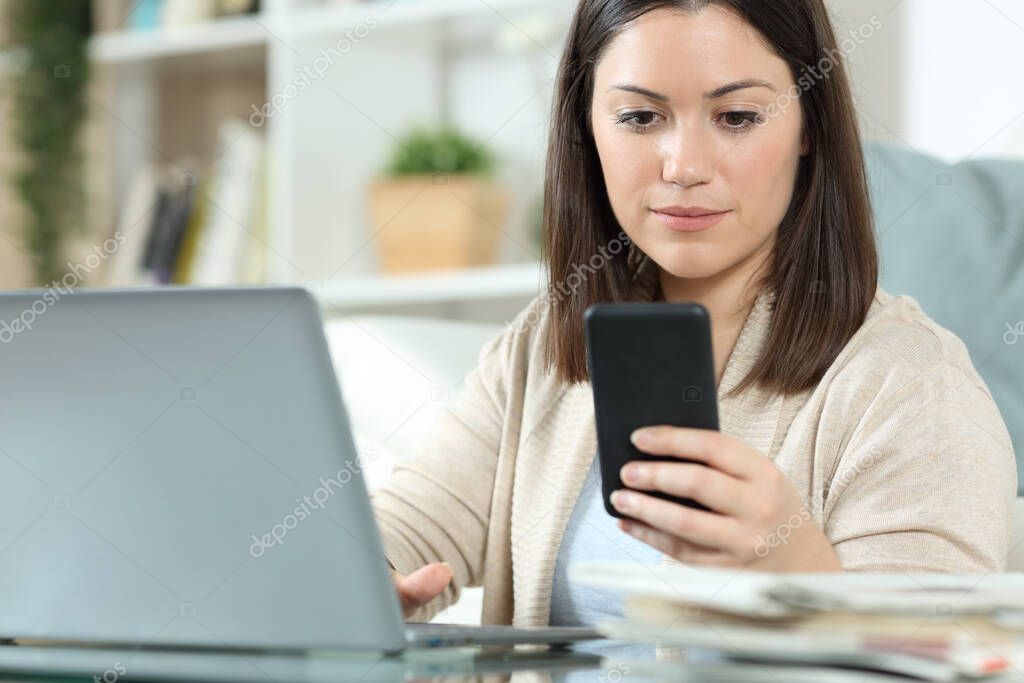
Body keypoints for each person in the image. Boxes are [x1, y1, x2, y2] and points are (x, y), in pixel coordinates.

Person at [374, 0, 1017, 628]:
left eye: (736, 117)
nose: (684, 167)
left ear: (809, 127)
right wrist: (366, 577)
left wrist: (800, 571)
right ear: (586, 126)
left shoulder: (913, 387)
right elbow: (407, 528)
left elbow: (933, 657)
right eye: (639, 116)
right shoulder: (538, 349)